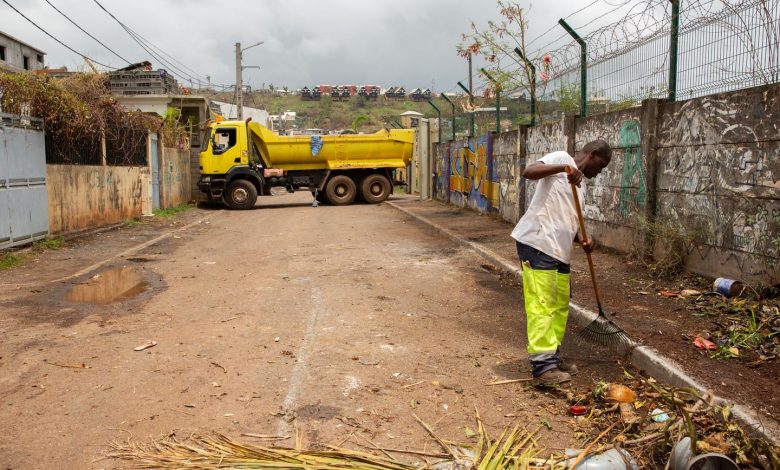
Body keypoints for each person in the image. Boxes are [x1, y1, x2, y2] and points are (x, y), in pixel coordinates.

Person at [511, 140, 612, 385]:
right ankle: (542, 367)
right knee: (542, 304)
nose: (600, 172)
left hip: (560, 250)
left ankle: (552, 356)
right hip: (538, 242)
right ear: (592, 154)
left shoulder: (580, 187)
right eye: (601, 165)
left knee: (559, 304)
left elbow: (570, 219)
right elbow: (528, 172)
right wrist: (562, 169)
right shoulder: (560, 158)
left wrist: (583, 239)